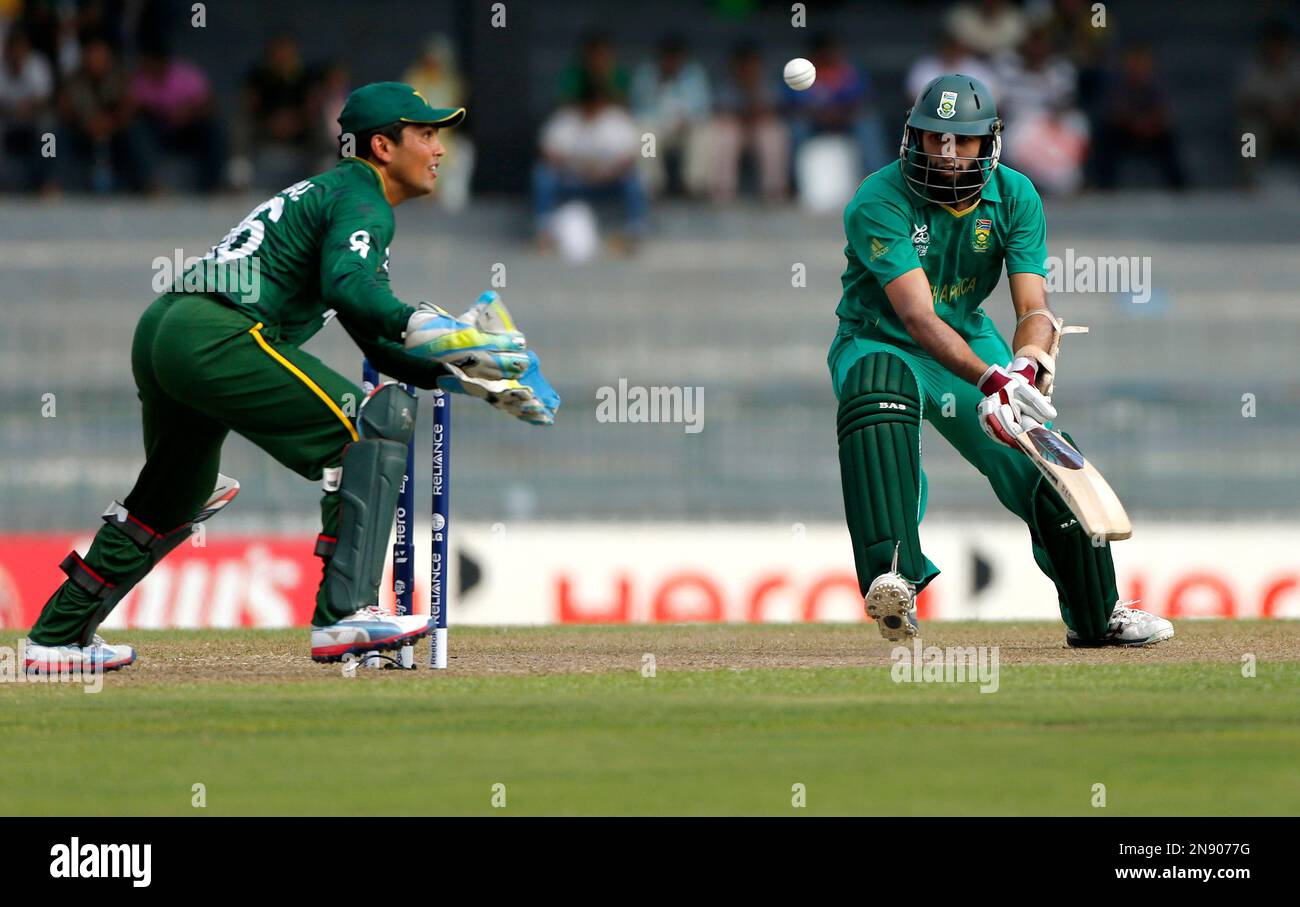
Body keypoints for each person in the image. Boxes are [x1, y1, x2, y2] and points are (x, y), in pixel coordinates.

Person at [24, 82, 560, 674]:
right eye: (426, 134)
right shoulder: (363, 198)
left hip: (168, 330)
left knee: (172, 497)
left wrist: (466, 379)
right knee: (370, 423)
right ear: (383, 146)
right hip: (218, 331)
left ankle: (54, 639)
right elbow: (353, 292)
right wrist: (432, 326)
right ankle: (345, 614)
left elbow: (372, 336)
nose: (439, 149)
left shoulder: (335, 196)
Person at [827, 74, 1173, 648]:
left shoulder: (1016, 196)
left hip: (967, 336)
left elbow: (1034, 305)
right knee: (876, 391)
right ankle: (892, 577)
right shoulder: (877, 198)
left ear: (990, 141)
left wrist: (1026, 369)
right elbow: (916, 317)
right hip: (877, 339)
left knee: (1041, 453)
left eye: (961, 140)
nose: (946, 152)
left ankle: (1098, 614)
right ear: (911, 136)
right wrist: (990, 378)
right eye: (934, 137)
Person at [533, 74, 646, 249]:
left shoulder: (617, 120)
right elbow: (547, 151)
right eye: (588, 103)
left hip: (607, 181)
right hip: (573, 181)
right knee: (543, 175)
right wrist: (575, 167)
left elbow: (631, 157)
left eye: (597, 103)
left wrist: (607, 172)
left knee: (634, 178)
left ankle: (634, 231)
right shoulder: (565, 119)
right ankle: (544, 231)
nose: (592, 108)